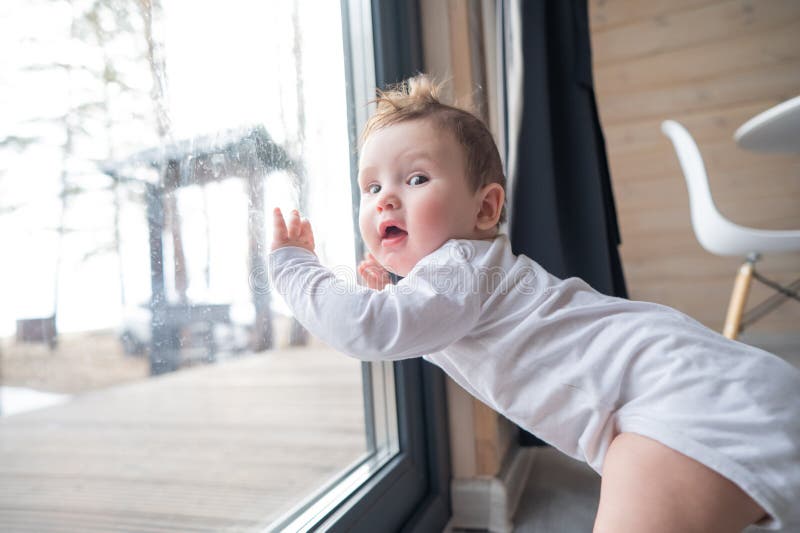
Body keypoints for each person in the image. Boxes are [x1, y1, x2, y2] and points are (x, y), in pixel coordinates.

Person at [268, 74, 800, 532]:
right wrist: (391, 289)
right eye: (370, 186)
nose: (385, 197)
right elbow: (424, 325)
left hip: (679, 405)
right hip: (697, 384)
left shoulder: (457, 268)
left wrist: (295, 266)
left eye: (416, 178)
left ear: (485, 208)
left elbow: (368, 330)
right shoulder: (470, 277)